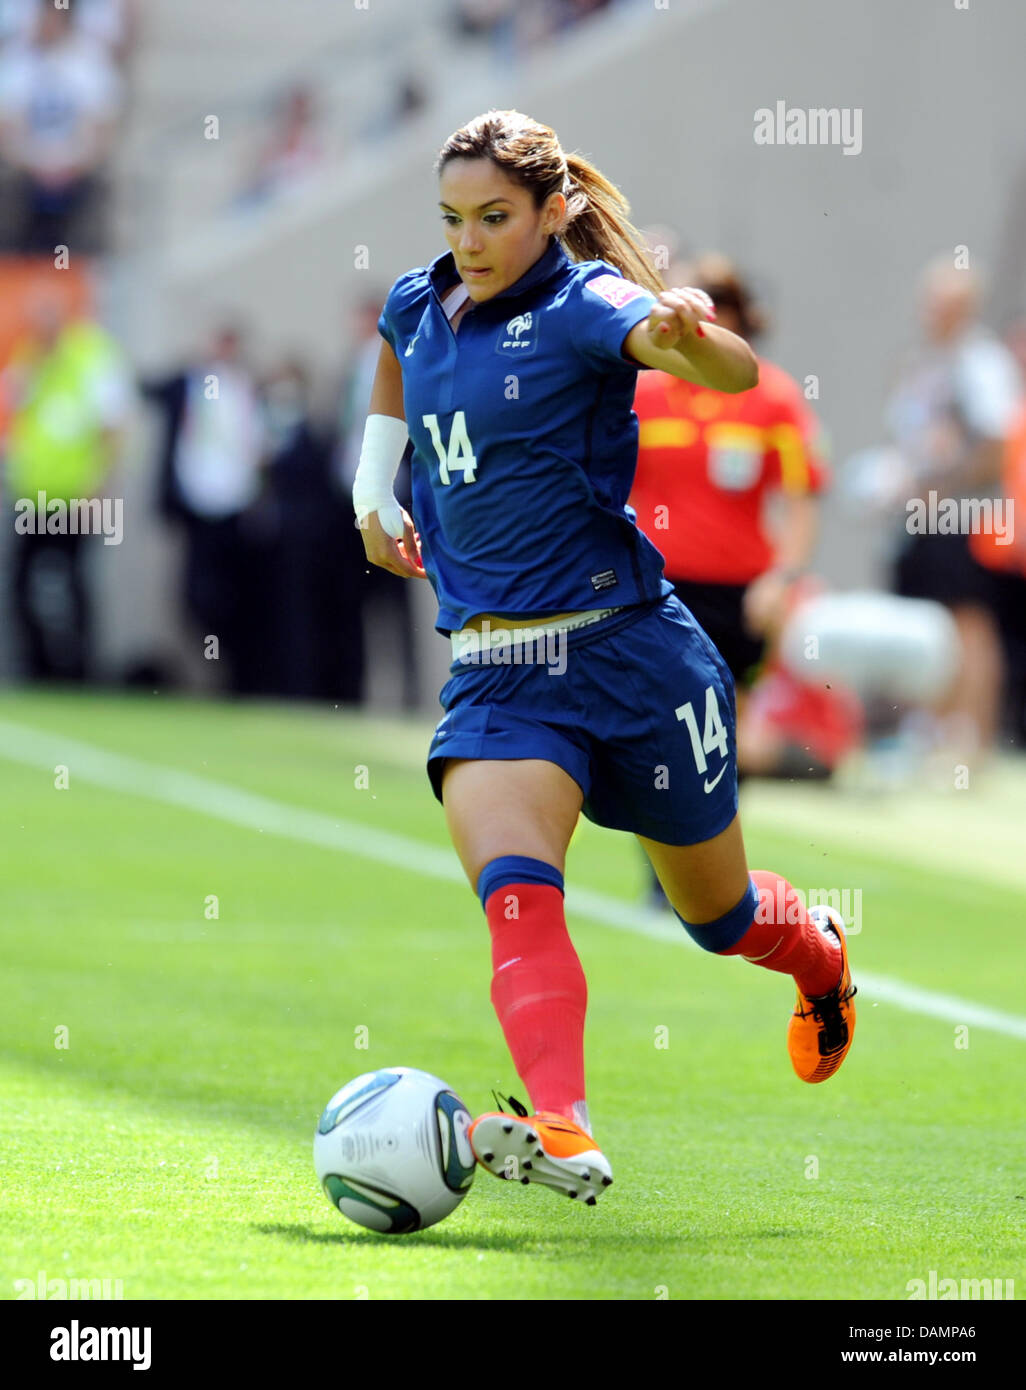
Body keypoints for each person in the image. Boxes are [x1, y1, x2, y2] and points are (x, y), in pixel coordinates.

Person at [353, 109, 856, 1205]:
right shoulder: (416, 298)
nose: (471, 241)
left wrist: (690, 332)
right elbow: (394, 367)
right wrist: (367, 492)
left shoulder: (587, 305)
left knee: (718, 919)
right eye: (453, 218)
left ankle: (818, 954)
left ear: (554, 214)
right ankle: (563, 1122)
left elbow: (727, 370)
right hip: (496, 674)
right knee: (517, 892)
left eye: (495, 218)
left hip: (634, 660)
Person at [2, 285, 131, 680]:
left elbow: (111, 427)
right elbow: (16, 417)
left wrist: (99, 488)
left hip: (75, 496)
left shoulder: (91, 355)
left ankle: (78, 672)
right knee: (22, 582)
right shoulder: (30, 360)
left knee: (74, 583)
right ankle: (37, 669)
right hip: (32, 496)